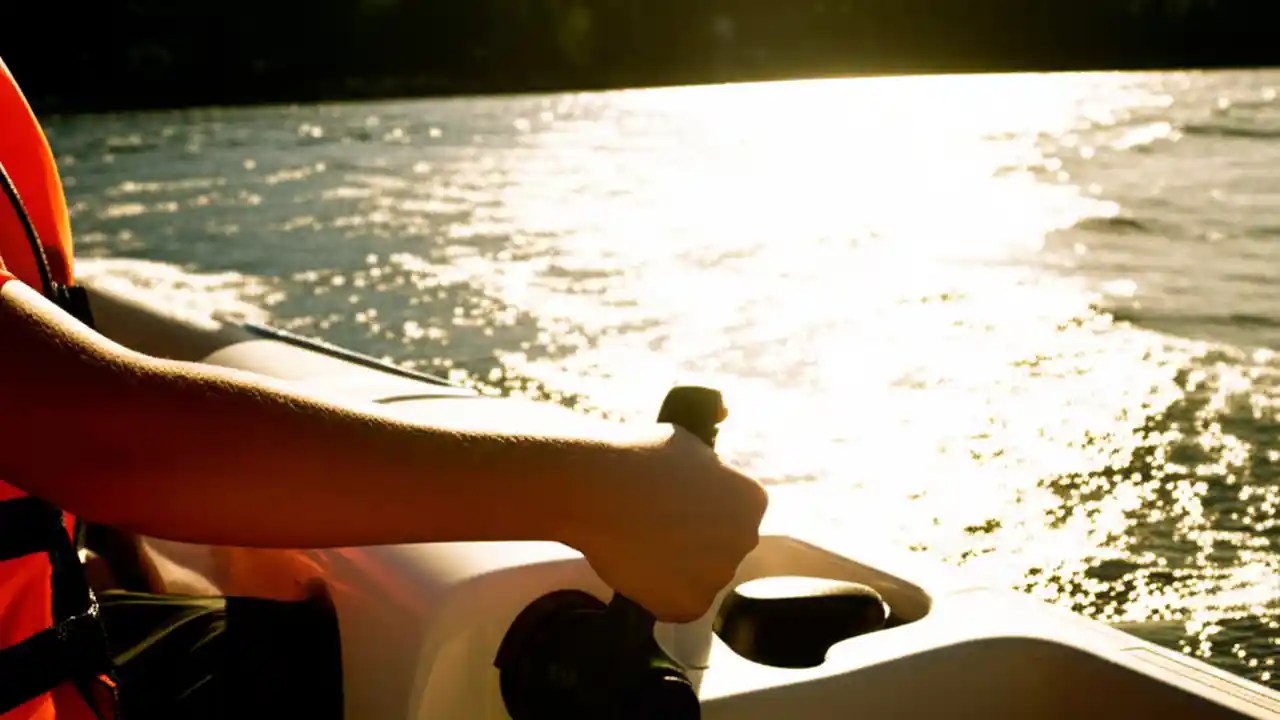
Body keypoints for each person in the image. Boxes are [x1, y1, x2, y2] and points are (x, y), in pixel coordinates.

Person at [0, 59, 768, 720]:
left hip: (62, 660)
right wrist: (602, 493)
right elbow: (109, 438)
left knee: (306, 650)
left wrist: (102, 561)